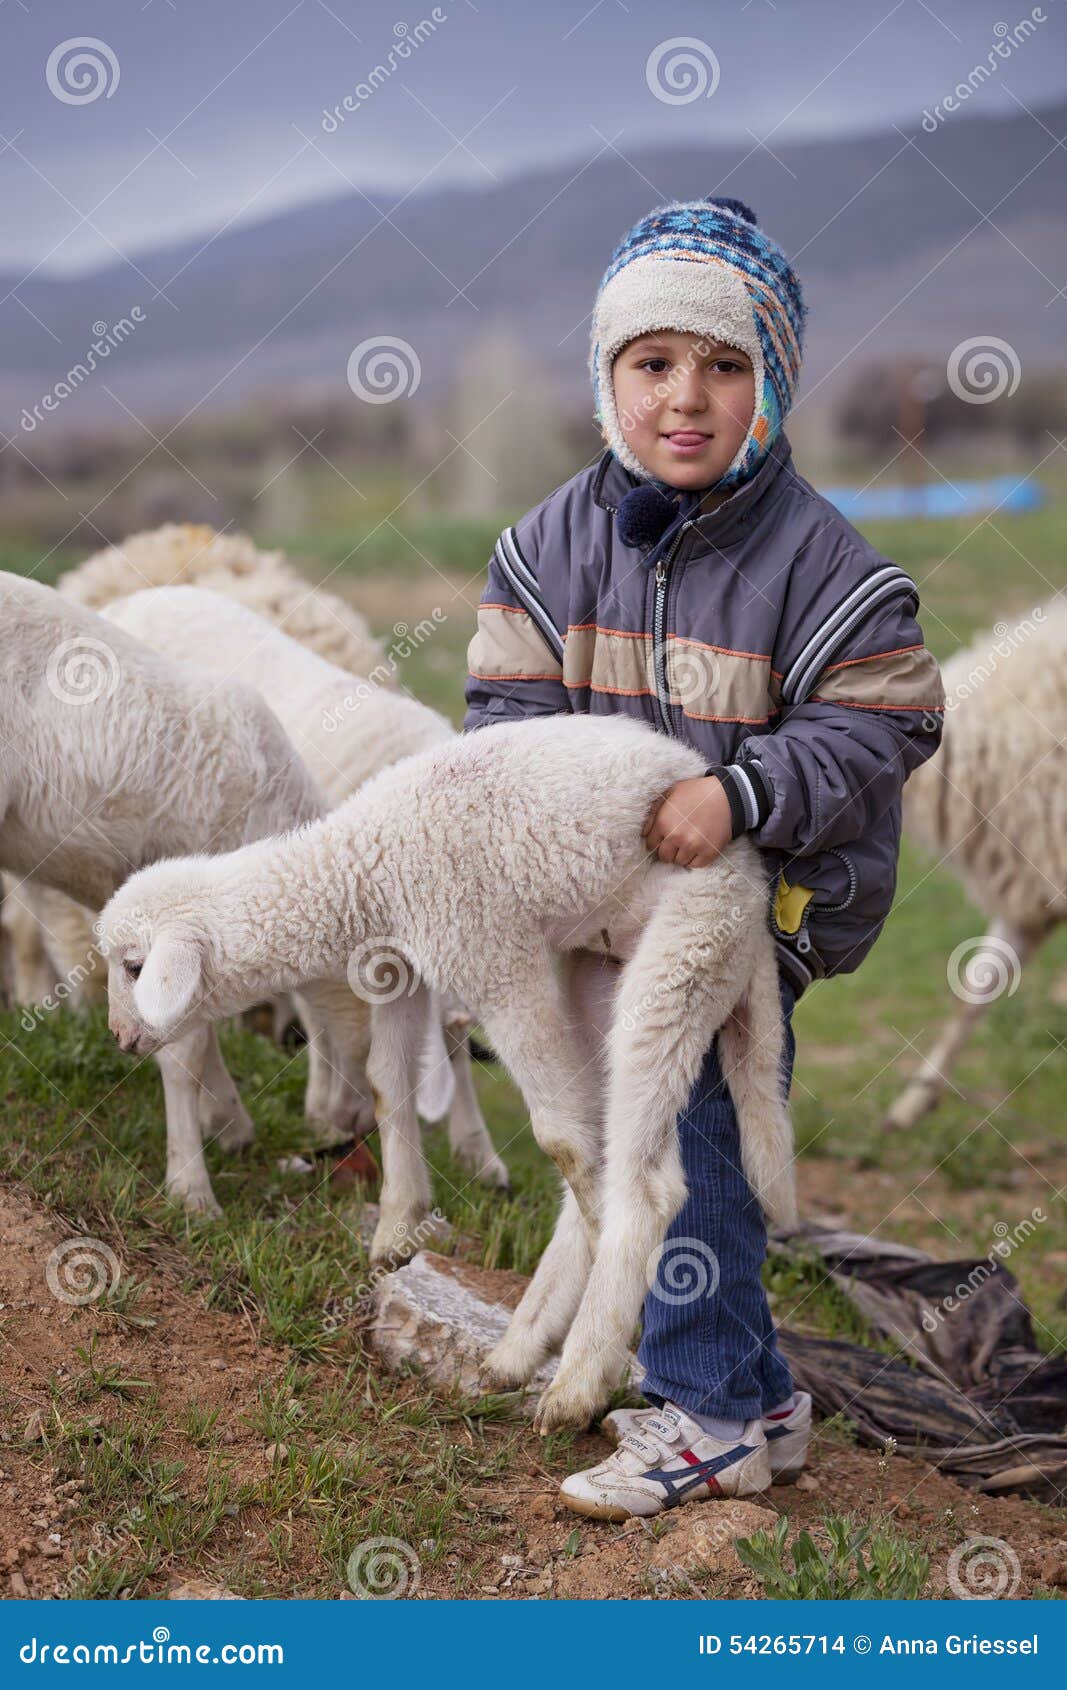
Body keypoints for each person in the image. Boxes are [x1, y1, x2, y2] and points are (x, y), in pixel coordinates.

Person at [463, 196, 945, 1520]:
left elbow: (892, 717)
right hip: (613, 901)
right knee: (689, 1125)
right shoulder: (547, 548)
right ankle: (764, 1390)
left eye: (727, 367)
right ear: (607, 377)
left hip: (774, 887)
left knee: (681, 1118)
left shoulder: (823, 563)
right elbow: (504, 722)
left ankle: (710, 1412)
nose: (688, 398)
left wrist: (739, 792)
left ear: (773, 388)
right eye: (653, 363)